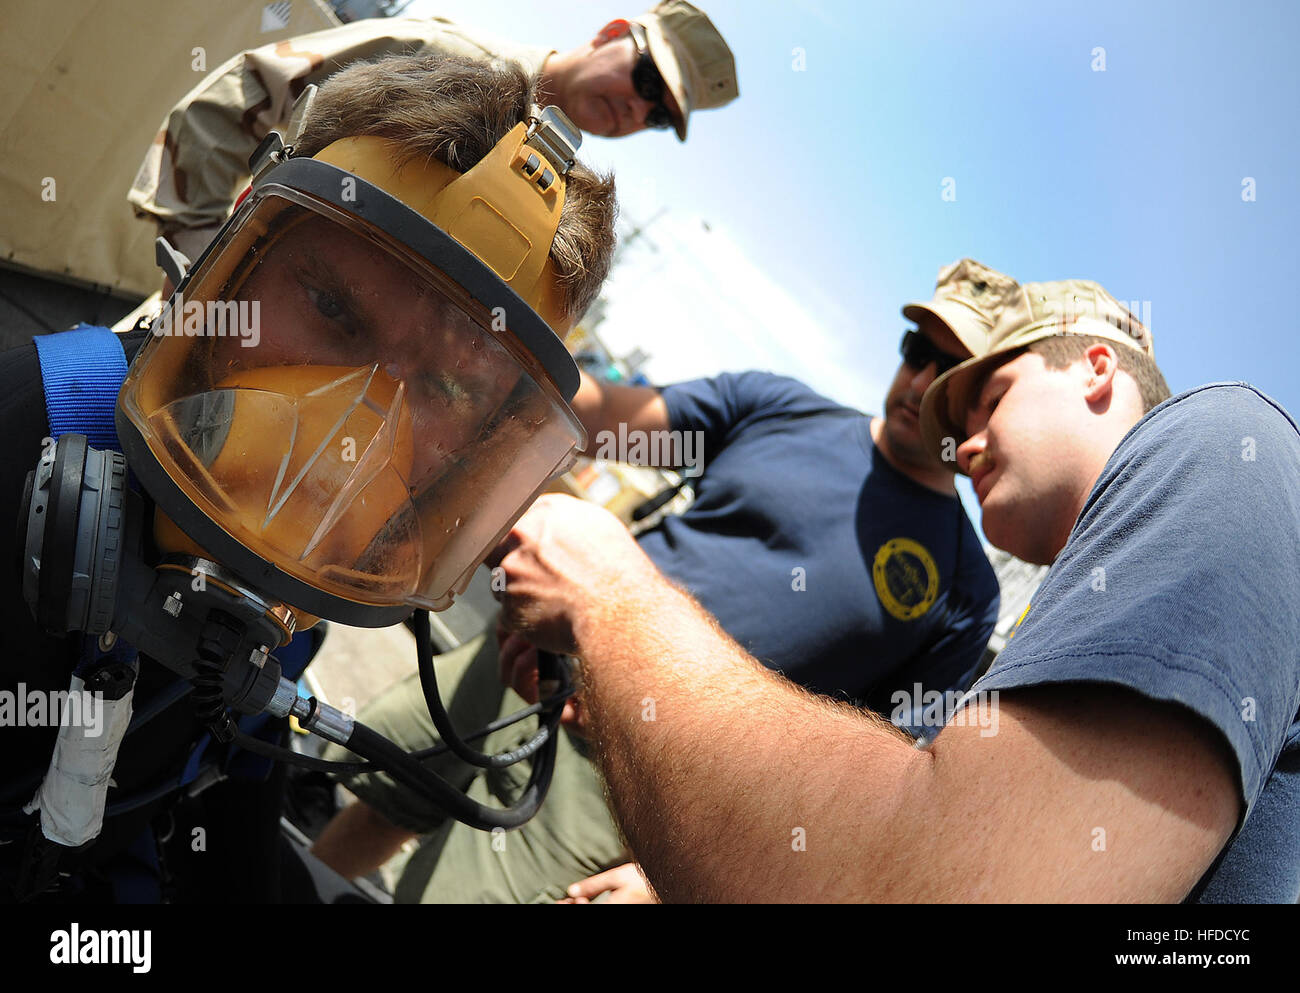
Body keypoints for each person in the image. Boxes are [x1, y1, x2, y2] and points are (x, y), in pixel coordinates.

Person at [0, 52, 617, 902]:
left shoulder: (299, 605)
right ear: (236, 249)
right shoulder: (30, 422)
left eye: (442, 388)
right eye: (332, 308)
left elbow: (215, 803)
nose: (354, 431)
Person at [489, 278, 1300, 902]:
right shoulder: (1088, 594)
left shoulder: (1223, 448)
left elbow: (946, 876)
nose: (967, 440)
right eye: (922, 360)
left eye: (990, 396)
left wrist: (611, 605)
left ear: (1095, 371)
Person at [311, 258, 1016, 903]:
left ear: (981, 404)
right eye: (916, 352)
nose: (920, 382)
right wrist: (495, 341)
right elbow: (610, 421)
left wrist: (671, 876)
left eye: (950, 373)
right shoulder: (780, 408)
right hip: (524, 653)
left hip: (638, 784)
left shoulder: (966, 590)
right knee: (379, 799)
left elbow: (873, 782)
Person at [129, 1, 738, 264]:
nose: (639, 108)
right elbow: (242, 95)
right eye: (648, 79)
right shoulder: (449, 57)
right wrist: (200, 259)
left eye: (659, 116)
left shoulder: (550, 188)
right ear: (610, 33)